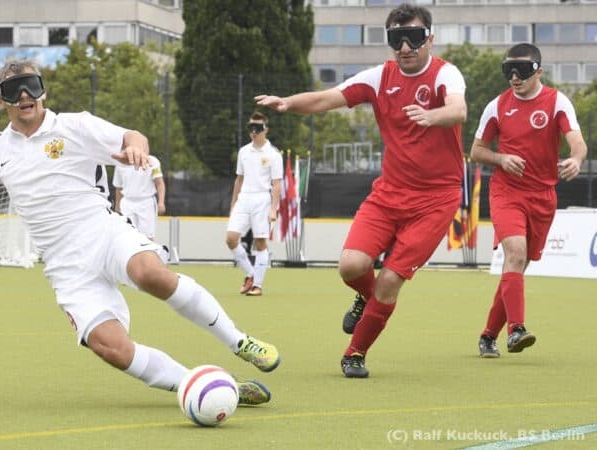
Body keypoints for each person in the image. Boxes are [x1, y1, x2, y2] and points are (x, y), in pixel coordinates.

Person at [0, 59, 279, 405]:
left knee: (152, 274)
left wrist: (136, 148)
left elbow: (133, 134)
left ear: (43, 91)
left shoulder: (74, 125)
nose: (24, 97)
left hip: (104, 232)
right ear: (2, 101)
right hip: (65, 266)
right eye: (13, 91)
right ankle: (200, 385)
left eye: (31, 86)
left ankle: (240, 342)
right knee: (109, 347)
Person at [257, 4, 467, 377]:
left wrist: (432, 116)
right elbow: (326, 99)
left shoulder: (445, 74)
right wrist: (288, 103)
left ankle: (355, 353)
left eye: (414, 38)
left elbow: (458, 109)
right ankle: (369, 302)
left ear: (430, 38)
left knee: (388, 282)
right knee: (351, 266)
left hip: (436, 200)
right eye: (395, 39)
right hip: (388, 193)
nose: (405, 47)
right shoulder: (378, 78)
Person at [471, 43, 586, 358]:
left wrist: (576, 160)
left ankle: (487, 336)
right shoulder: (497, 106)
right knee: (516, 254)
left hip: (543, 197)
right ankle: (516, 329)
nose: (513, 77)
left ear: (539, 71)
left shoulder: (557, 102)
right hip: (506, 192)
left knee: (517, 267)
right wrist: (500, 158)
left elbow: (577, 142)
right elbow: (476, 150)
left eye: (521, 71)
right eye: (508, 70)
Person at [225, 112, 283, 297]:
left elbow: (276, 184)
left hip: (262, 200)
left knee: (260, 242)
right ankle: (250, 274)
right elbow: (239, 179)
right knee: (231, 238)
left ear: (266, 129)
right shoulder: (243, 152)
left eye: (257, 128)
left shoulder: (273, 155)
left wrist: (273, 208)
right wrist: (234, 203)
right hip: (244, 198)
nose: (253, 132)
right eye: (251, 127)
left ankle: (257, 285)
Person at [113, 155, 166, 240]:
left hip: (146, 203)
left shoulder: (152, 161)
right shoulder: (120, 162)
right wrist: (117, 208)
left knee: (148, 238)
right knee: (126, 236)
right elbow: (119, 187)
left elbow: (159, 183)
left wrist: (161, 202)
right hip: (127, 203)